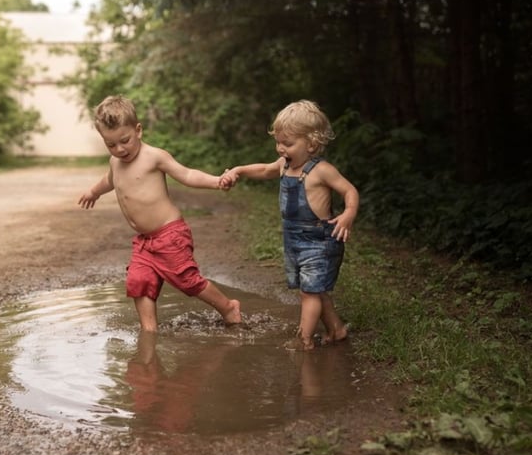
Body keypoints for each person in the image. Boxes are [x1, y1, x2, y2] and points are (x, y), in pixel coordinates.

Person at [78, 95, 242, 332]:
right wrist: (94, 192)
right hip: (145, 242)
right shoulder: (115, 162)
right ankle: (149, 330)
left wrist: (218, 181)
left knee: (187, 280)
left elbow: (187, 175)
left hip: (170, 235)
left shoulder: (153, 157)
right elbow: (109, 180)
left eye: (124, 140)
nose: (119, 149)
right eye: (111, 144)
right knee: (138, 281)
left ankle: (228, 307)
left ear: (138, 130)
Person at [220, 100, 359, 350]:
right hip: (294, 240)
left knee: (309, 292)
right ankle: (336, 329)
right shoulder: (284, 166)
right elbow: (263, 170)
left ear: (312, 143)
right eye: (279, 142)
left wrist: (348, 213)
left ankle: (303, 339)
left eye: (288, 143)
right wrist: (239, 170)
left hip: (319, 241)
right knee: (312, 290)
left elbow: (349, 190)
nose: (281, 148)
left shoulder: (321, 170)